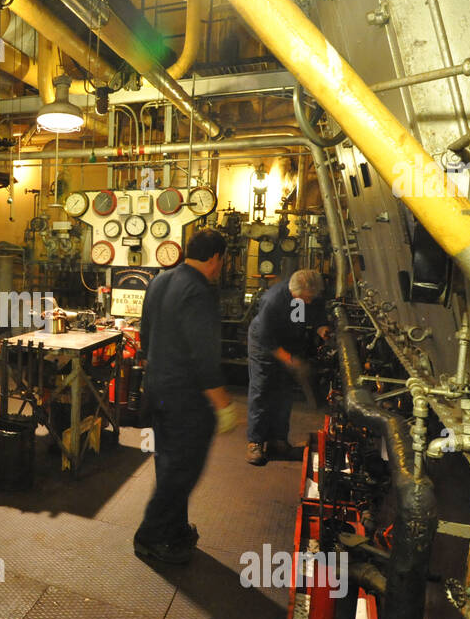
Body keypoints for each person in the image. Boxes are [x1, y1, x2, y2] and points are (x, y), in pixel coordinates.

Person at [134, 228, 238, 565]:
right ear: (216, 258)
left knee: (168, 463)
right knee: (182, 469)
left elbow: (144, 335)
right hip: (186, 399)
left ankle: (174, 530)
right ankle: (150, 537)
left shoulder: (160, 281)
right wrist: (223, 404)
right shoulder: (200, 292)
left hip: (157, 389)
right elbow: (203, 356)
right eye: (222, 260)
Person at [246, 268, 328, 466]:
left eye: (310, 298)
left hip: (289, 343)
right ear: (294, 292)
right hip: (263, 345)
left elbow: (313, 313)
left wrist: (322, 328)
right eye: (305, 298)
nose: (308, 302)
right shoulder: (273, 300)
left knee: (284, 392)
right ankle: (255, 443)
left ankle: (278, 441)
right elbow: (266, 338)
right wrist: (288, 359)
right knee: (262, 390)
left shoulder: (305, 296)